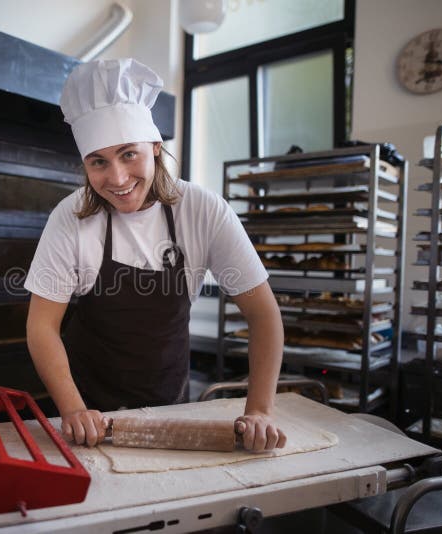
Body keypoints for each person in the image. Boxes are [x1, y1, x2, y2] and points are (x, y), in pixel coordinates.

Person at [24, 58, 285, 452]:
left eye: (129, 154)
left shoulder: (202, 209)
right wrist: (74, 410)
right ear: (85, 165)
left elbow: (263, 313)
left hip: (170, 411)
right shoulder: (72, 217)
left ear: (155, 147)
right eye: (99, 162)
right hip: (88, 415)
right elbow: (42, 326)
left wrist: (260, 409)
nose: (117, 178)